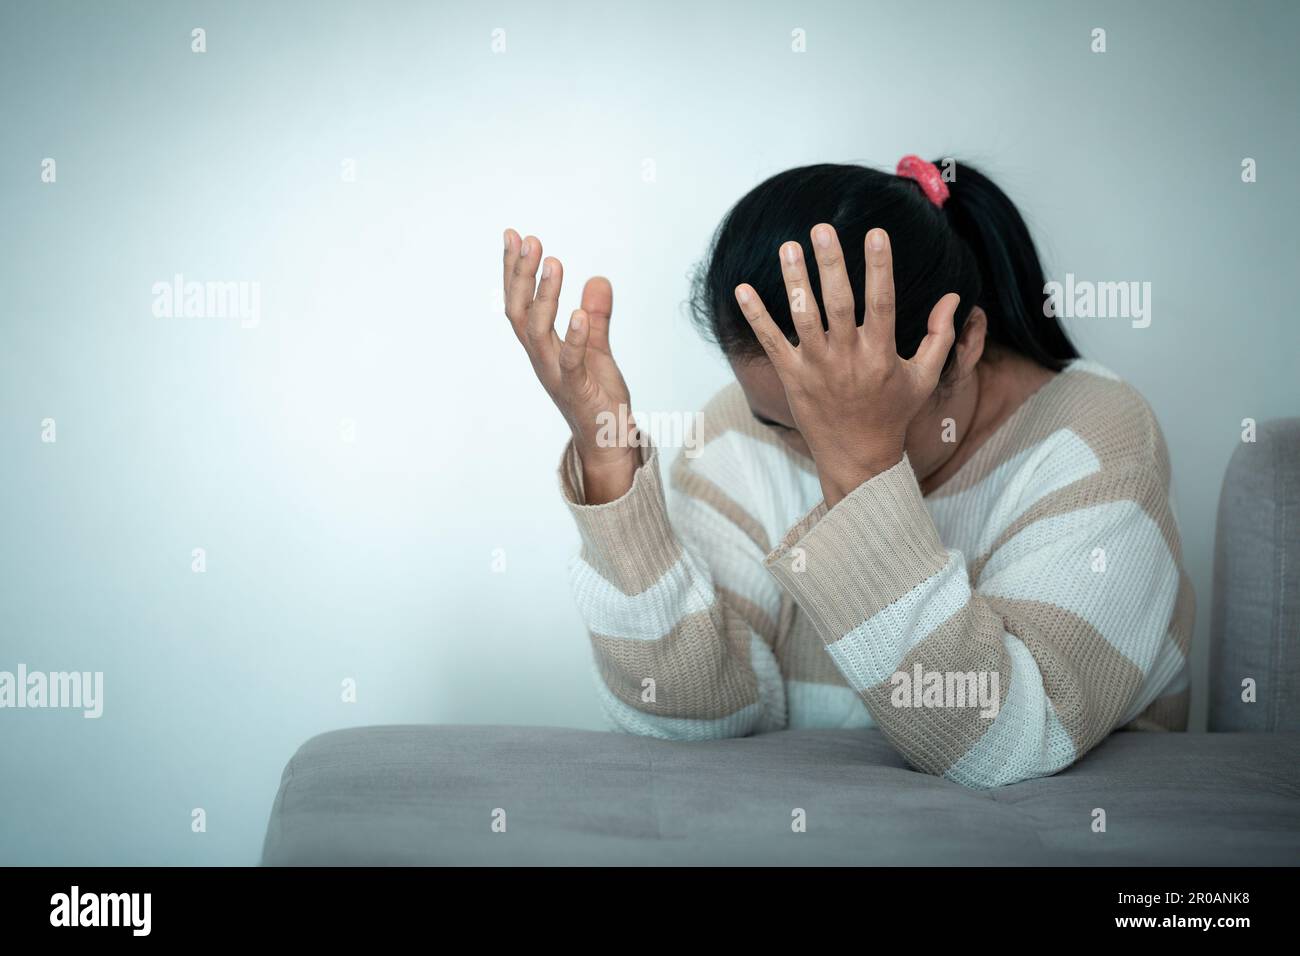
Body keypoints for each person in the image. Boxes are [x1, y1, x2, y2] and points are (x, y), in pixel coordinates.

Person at [500, 156, 1191, 788]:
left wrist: (862, 470)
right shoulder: (742, 430)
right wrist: (609, 462)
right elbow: (692, 720)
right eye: (786, 424)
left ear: (965, 343)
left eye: (848, 414)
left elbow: (1002, 745)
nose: (810, 450)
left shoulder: (1094, 439)